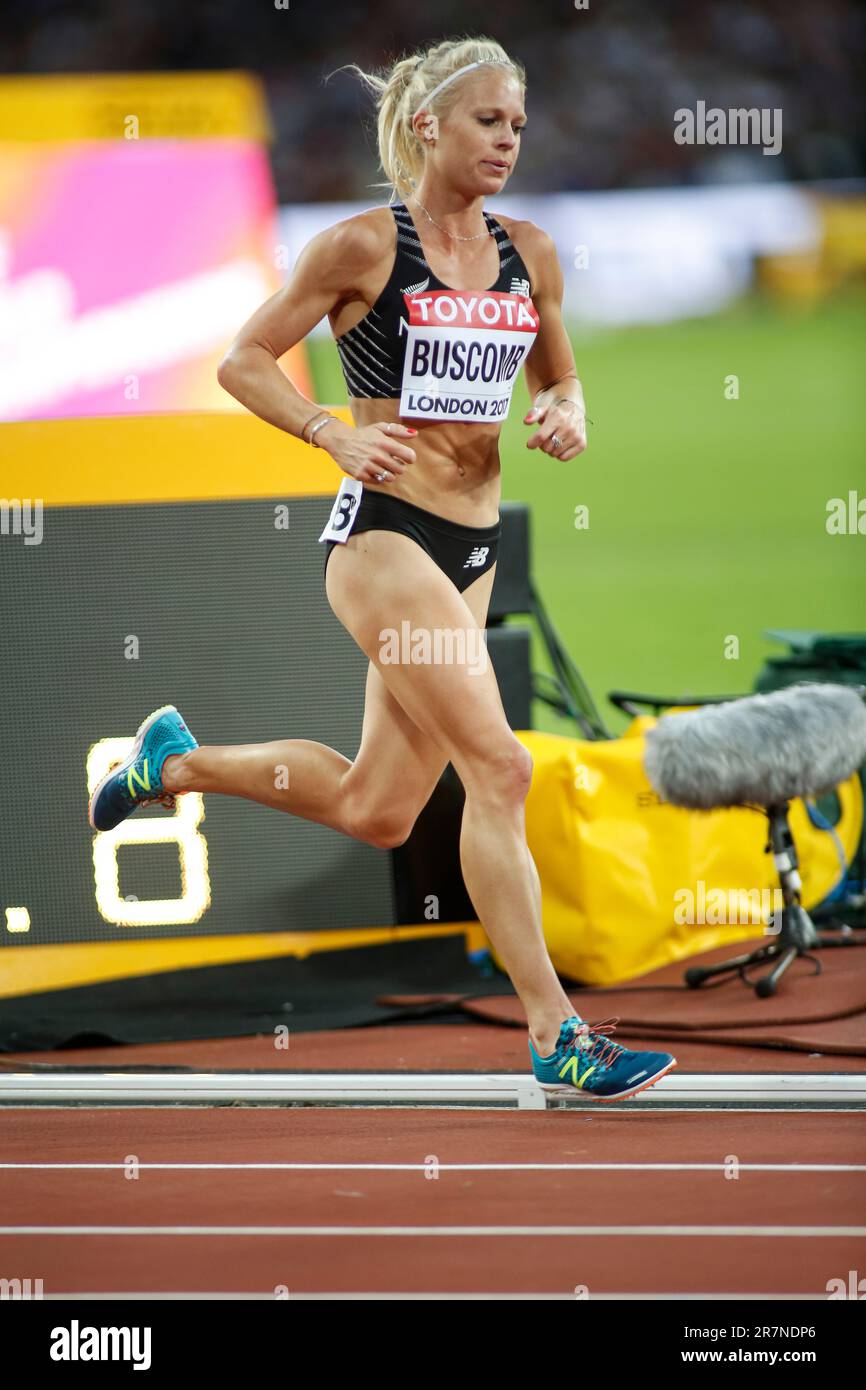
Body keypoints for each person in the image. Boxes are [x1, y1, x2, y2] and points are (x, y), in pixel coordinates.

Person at [88, 36, 676, 1102]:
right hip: (383, 539)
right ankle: (555, 1030)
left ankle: (168, 764)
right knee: (499, 768)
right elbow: (242, 358)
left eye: (516, 126)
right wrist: (327, 430)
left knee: (377, 811)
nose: (506, 141)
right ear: (427, 127)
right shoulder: (361, 247)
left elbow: (559, 371)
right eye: (487, 121)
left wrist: (565, 407)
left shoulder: (528, 251)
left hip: (472, 545)